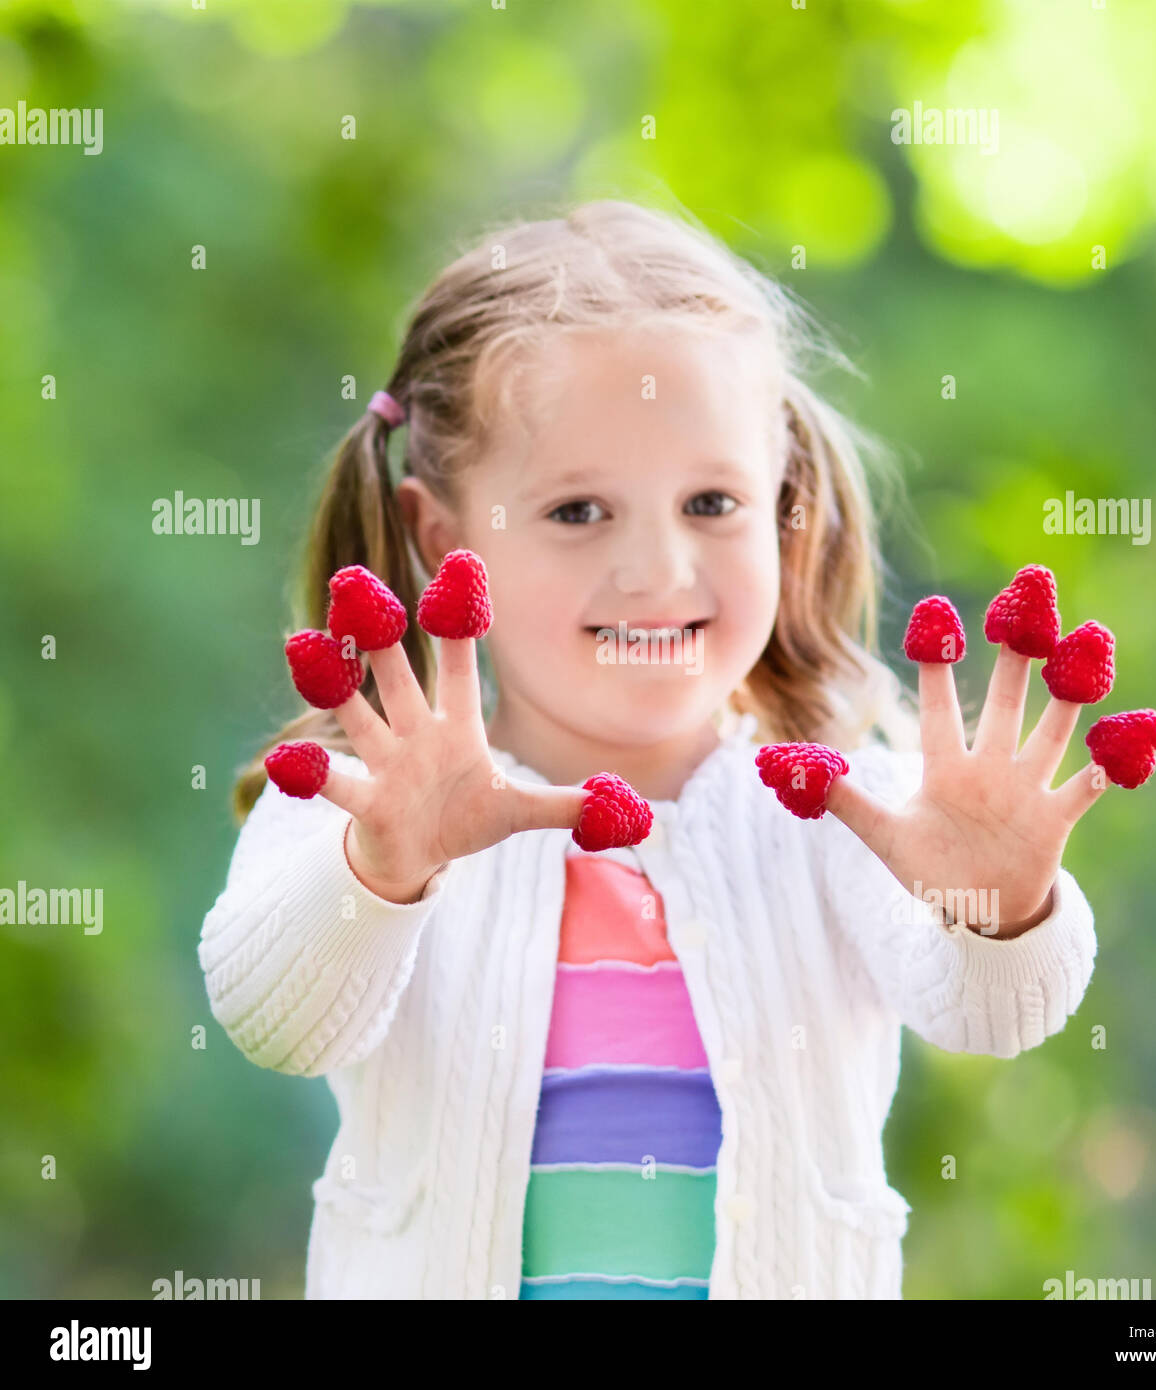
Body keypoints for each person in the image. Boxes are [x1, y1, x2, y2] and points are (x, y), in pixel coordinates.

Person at [199, 198, 1105, 1299]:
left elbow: (989, 1010)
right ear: (442, 535)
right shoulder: (364, 798)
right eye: (579, 510)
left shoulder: (852, 812)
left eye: (711, 502)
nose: (657, 570)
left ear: (783, 506)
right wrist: (385, 873)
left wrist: (1004, 908)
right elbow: (274, 1018)